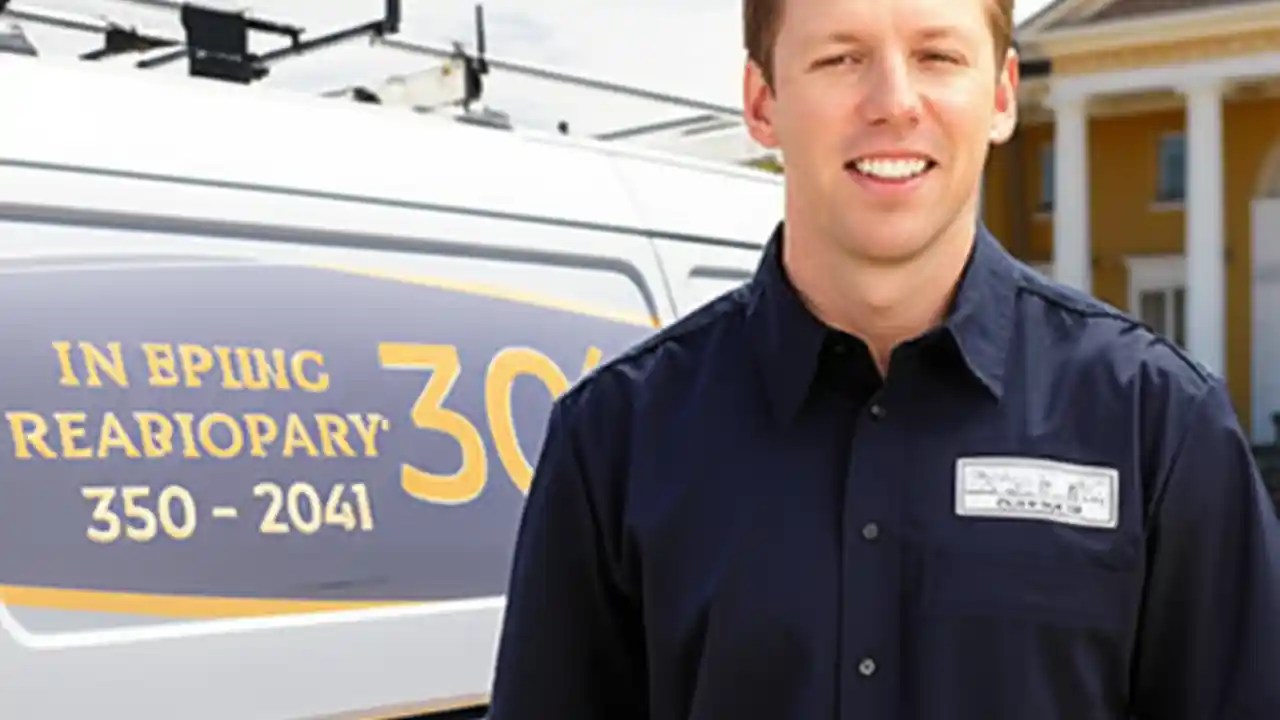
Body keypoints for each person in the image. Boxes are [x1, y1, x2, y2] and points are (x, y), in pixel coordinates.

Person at [487, 0, 1280, 717]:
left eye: (937, 56)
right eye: (841, 58)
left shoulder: (1159, 426)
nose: (895, 102)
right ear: (762, 102)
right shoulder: (616, 441)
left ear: (1002, 95)